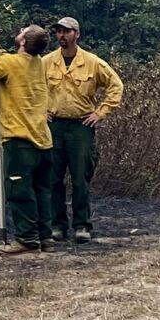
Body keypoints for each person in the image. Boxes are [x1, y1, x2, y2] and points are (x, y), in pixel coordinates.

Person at [0, 21, 54, 255]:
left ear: (23, 42)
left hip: (20, 140)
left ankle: (26, 239)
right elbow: (7, 62)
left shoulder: (13, 64)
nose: (18, 33)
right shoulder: (38, 64)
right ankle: (45, 237)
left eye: (21, 33)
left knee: (19, 191)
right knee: (42, 191)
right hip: (44, 140)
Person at [43, 16, 123, 243]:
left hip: (80, 127)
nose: (62, 36)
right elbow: (31, 86)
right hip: (54, 125)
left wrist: (100, 112)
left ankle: (81, 226)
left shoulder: (92, 62)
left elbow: (115, 86)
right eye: (58, 32)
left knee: (80, 178)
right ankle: (57, 226)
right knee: (53, 178)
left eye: (66, 32)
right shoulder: (47, 62)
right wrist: (41, 110)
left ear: (77, 34)